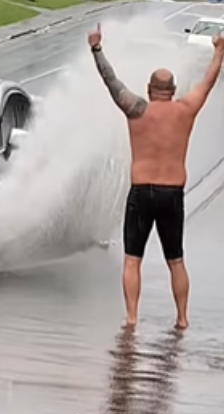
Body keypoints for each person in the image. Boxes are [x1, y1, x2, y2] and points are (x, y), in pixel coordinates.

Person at [88, 24, 224, 329]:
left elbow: (112, 82)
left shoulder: (137, 110)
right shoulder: (187, 109)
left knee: (132, 259)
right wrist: (219, 52)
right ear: (173, 91)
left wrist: (97, 49)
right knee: (175, 259)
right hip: (172, 193)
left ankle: (133, 319)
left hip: (142, 191)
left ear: (149, 90)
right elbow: (208, 81)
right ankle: (182, 319)